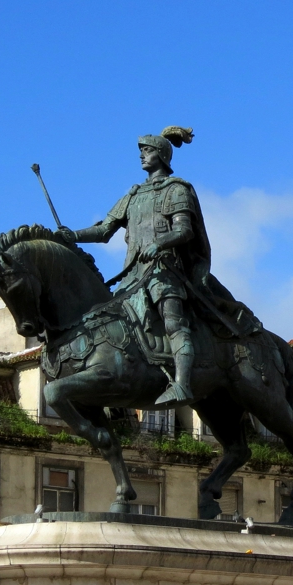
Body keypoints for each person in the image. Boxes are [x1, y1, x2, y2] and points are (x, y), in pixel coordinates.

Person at [61, 126, 210, 405]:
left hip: (164, 271)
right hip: (132, 276)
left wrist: (160, 243)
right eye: (141, 151)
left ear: (163, 155)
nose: (142, 156)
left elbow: (185, 231)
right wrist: (73, 236)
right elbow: (104, 230)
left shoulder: (176, 189)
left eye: (148, 150)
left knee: (174, 322)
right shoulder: (133, 194)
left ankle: (182, 384)